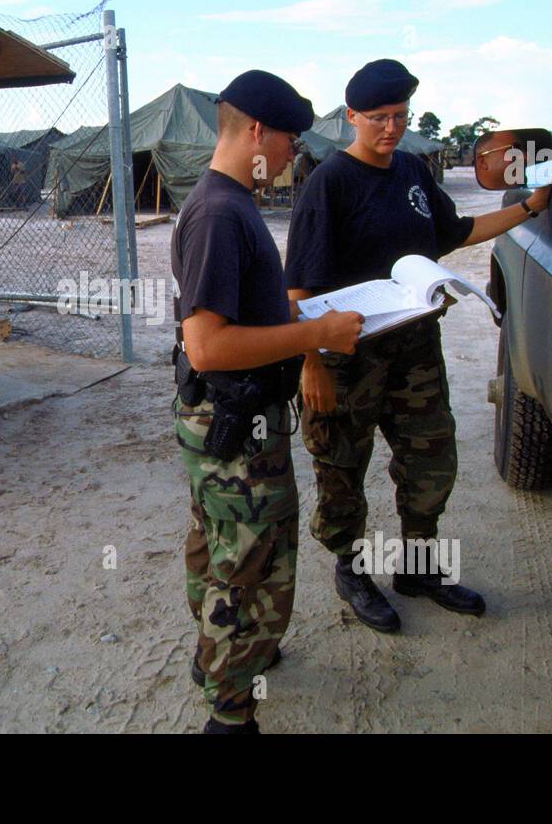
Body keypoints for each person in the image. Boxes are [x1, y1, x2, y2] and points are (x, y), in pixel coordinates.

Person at [284, 59, 550, 633]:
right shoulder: (329, 183)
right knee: (341, 469)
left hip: (414, 351)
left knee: (432, 461)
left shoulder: (411, 171)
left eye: (400, 116)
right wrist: (311, 364)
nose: (391, 128)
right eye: (378, 117)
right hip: (347, 358)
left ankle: (420, 568)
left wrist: (528, 208)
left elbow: (455, 235)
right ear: (351, 116)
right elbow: (298, 288)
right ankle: (351, 570)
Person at [172, 70, 363, 733]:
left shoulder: (229, 202)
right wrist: (315, 335)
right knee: (249, 568)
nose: (292, 154)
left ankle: (215, 662)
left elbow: (238, 313)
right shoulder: (221, 213)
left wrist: (303, 319)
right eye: (288, 140)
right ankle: (230, 714)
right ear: (256, 131)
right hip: (237, 421)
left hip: (235, 417)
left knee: (218, 544)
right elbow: (206, 346)